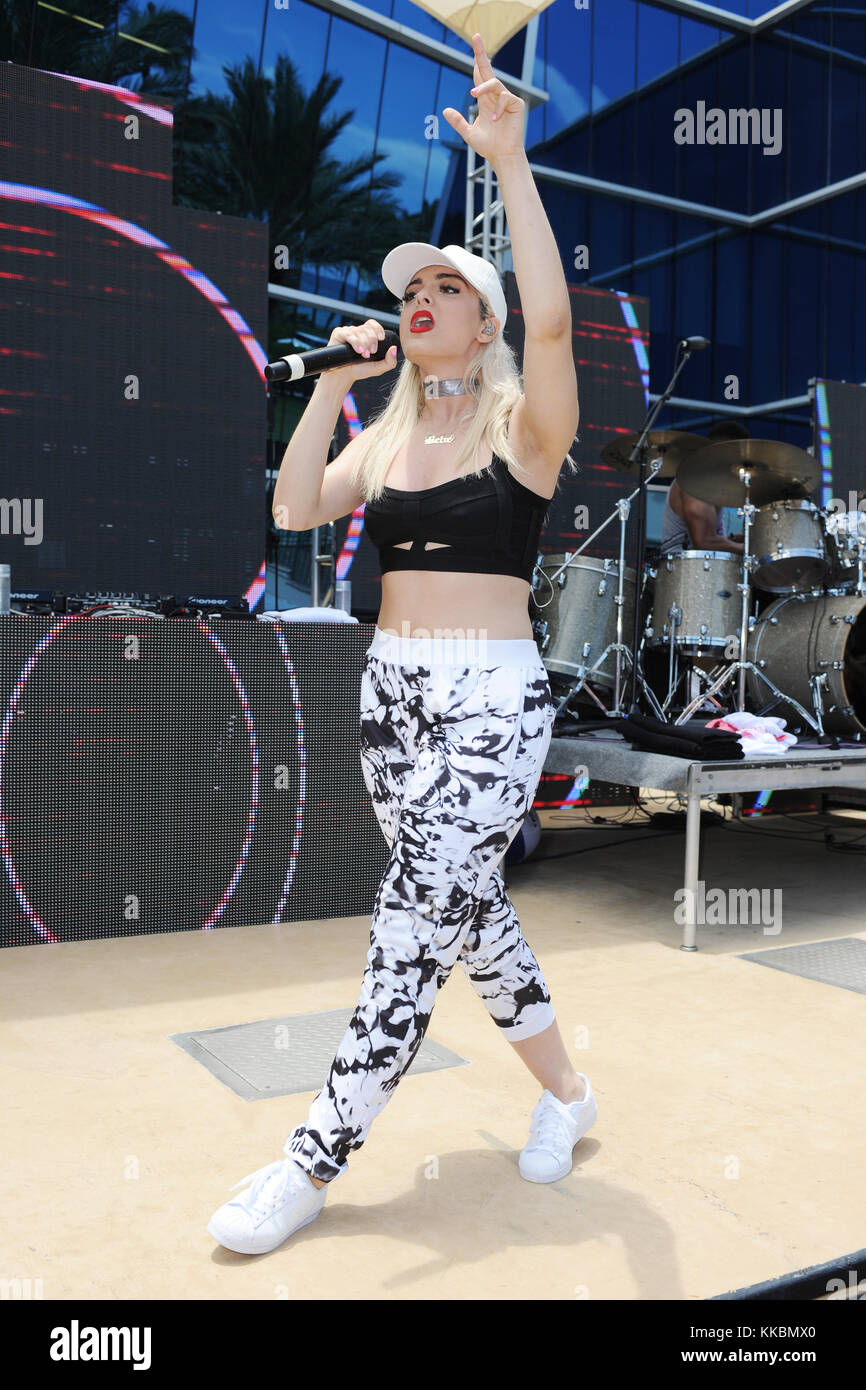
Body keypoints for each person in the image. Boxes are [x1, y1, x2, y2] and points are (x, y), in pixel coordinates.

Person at [208, 33, 598, 1257]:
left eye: (442, 291)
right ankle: (570, 1096)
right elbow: (290, 509)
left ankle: (312, 1155)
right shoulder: (383, 440)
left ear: (477, 327)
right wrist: (328, 382)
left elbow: (550, 329)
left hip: (490, 698)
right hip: (392, 696)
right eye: (405, 292)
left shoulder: (521, 431)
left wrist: (512, 166)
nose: (415, 300)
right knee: (465, 912)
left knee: (409, 916)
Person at [660, 419, 748, 556]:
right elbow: (704, 542)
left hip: (704, 569)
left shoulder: (711, 484)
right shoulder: (695, 480)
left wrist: (734, 540)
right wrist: (747, 549)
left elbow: (710, 538)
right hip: (685, 572)